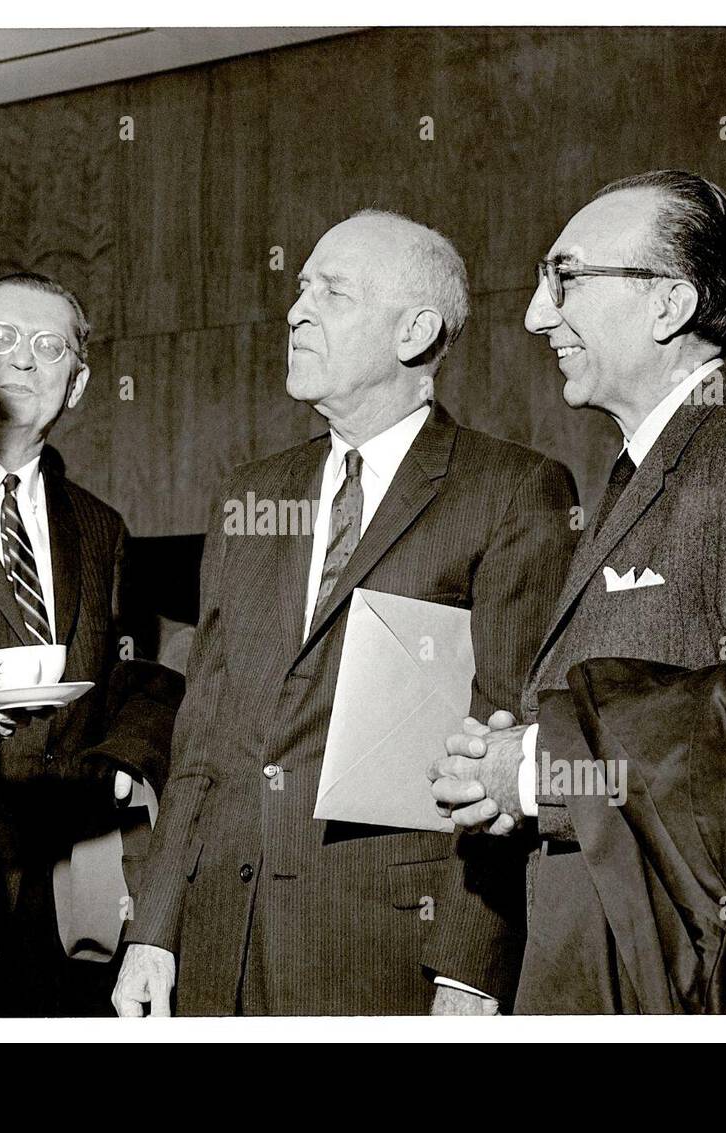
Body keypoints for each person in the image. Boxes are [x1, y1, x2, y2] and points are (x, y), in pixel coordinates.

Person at [113, 209, 576, 1016]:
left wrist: (470, 972)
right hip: (217, 944)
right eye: (300, 289)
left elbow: (507, 736)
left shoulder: (513, 493)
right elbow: (205, 734)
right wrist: (153, 932)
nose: (297, 310)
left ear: (414, 331)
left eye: (333, 291)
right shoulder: (249, 496)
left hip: (381, 954)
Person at [429, 170, 726, 1011]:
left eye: (565, 278)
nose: (534, 314)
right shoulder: (634, 478)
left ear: (669, 305)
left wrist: (533, 770)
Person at [0, 272, 182, 1015]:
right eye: (0, 339)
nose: (24, 360)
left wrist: (126, 756)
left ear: (78, 384)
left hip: (73, 893)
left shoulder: (101, 526)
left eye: (49, 347)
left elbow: (135, 674)